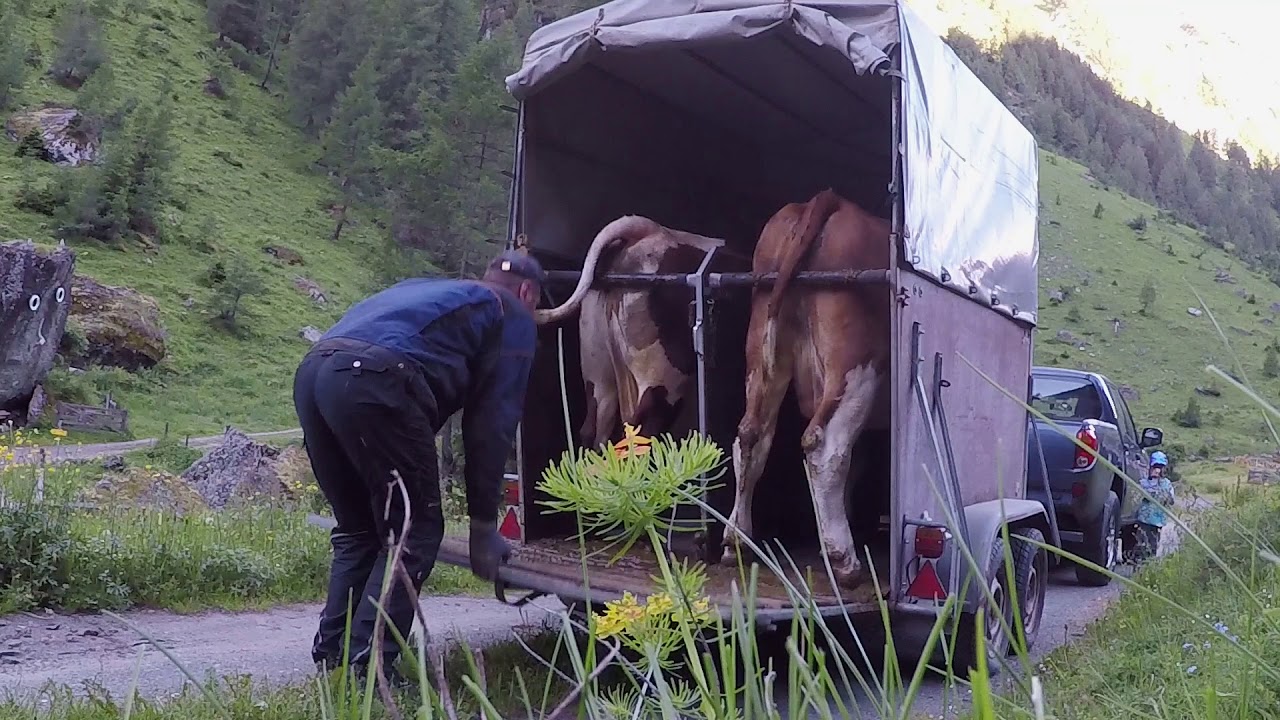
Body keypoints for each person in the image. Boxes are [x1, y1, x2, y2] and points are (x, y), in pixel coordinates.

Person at [292, 249, 544, 679]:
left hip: (316, 371)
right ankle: (369, 671)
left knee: (358, 529)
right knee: (414, 531)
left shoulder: (428, 286)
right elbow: (490, 423)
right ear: (527, 292)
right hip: (377, 378)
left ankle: (332, 655)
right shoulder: (513, 312)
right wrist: (484, 527)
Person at [1132, 450, 1175, 565]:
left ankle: (1148, 565)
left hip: (1157, 521)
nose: (1157, 470)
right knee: (1141, 543)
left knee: (1153, 544)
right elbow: (1137, 497)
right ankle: (1138, 563)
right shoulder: (1144, 482)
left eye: (1160, 467)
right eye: (1155, 467)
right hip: (1143, 519)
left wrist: (1164, 493)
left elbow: (1171, 501)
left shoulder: (1167, 484)